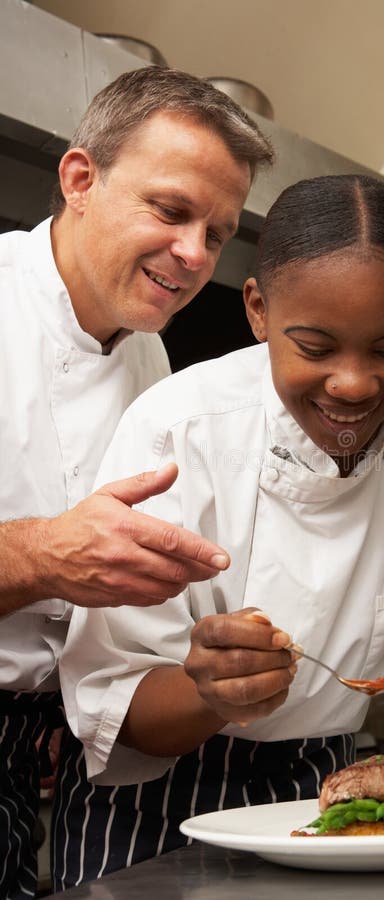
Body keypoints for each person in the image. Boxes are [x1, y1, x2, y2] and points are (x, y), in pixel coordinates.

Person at [57, 173, 384, 889]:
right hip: (153, 796)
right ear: (258, 311)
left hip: (330, 777)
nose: (354, 384)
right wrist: (210, 690)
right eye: (315, 346)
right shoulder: (176, 430)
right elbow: (121, 716)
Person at [0, 65, 273, 900]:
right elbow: (55, 562)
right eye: (170, 210)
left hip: (34, 749)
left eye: (218, 233)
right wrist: (42, 556)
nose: (194, 255)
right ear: (80, 180)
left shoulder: (150, 355)